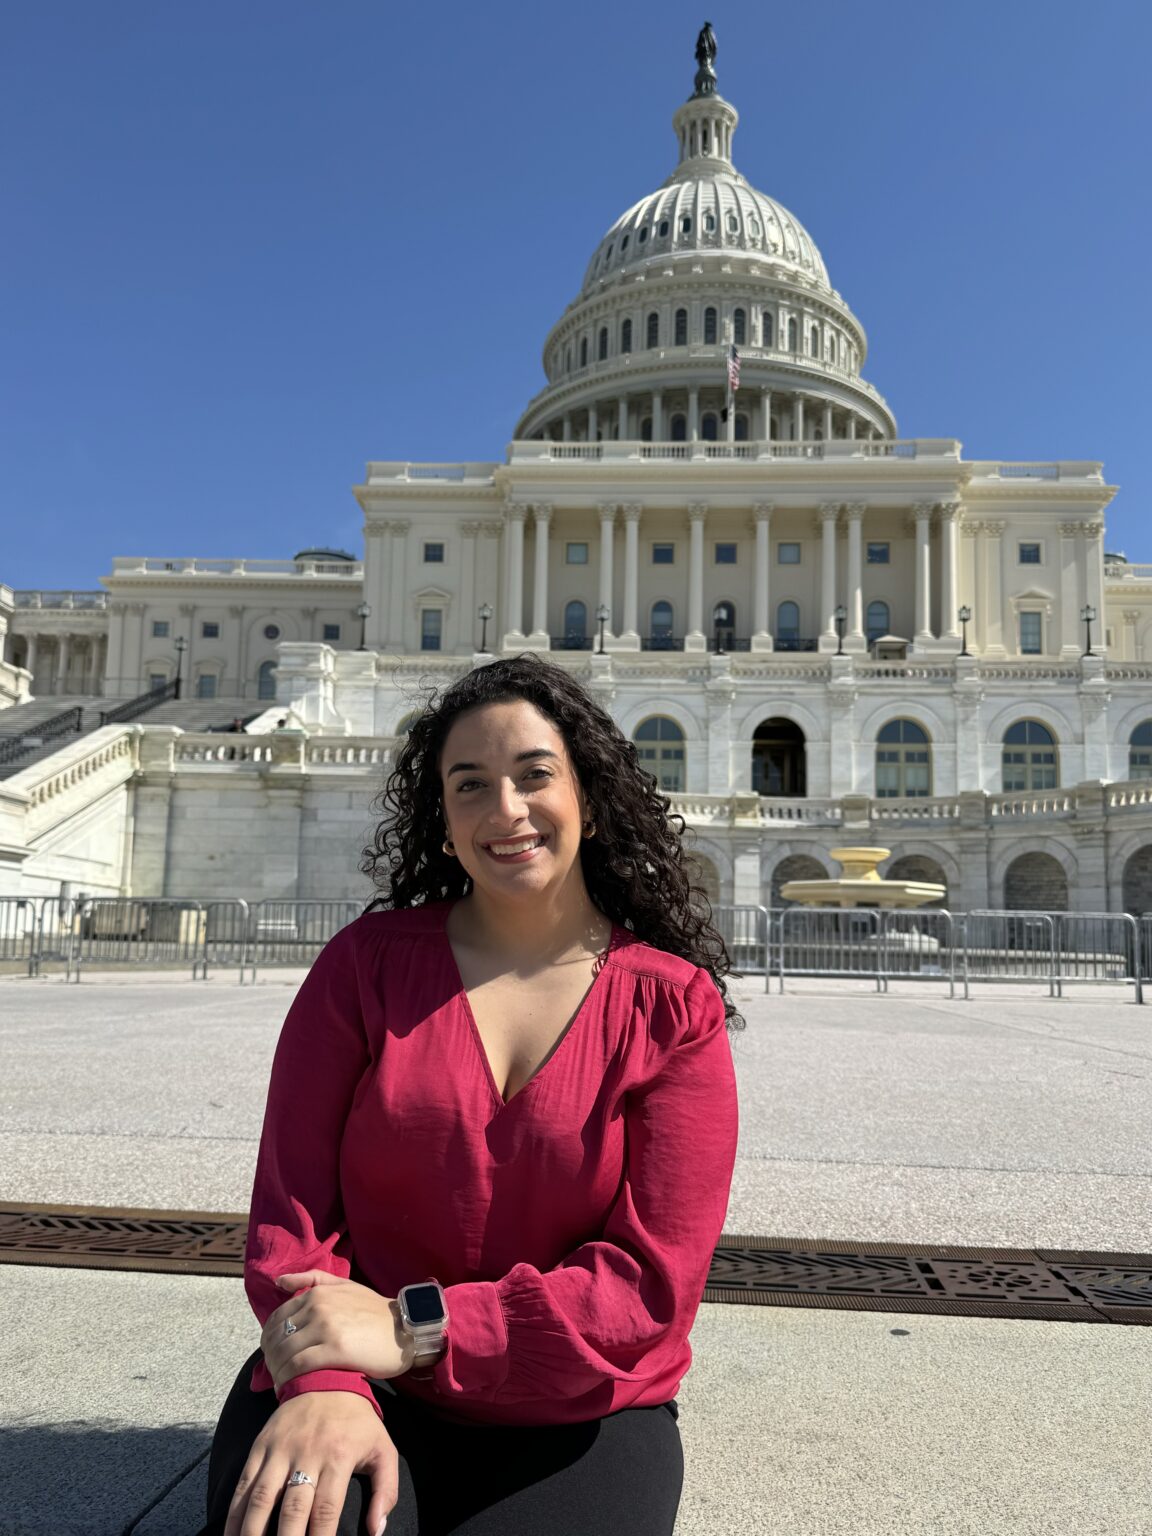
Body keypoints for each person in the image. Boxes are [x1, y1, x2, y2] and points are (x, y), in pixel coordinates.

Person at [200, 655, 742, 1536]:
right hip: (353, 1376)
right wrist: (329, 1382)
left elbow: (647, 1290)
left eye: (535, 777)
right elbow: (291, 1215)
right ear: (442, 820)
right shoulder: (365, 967)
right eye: (470, 787)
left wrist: (413, 1325)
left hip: (577, 1410)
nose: (506, 811)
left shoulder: (672, 1005)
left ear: (592, 799)